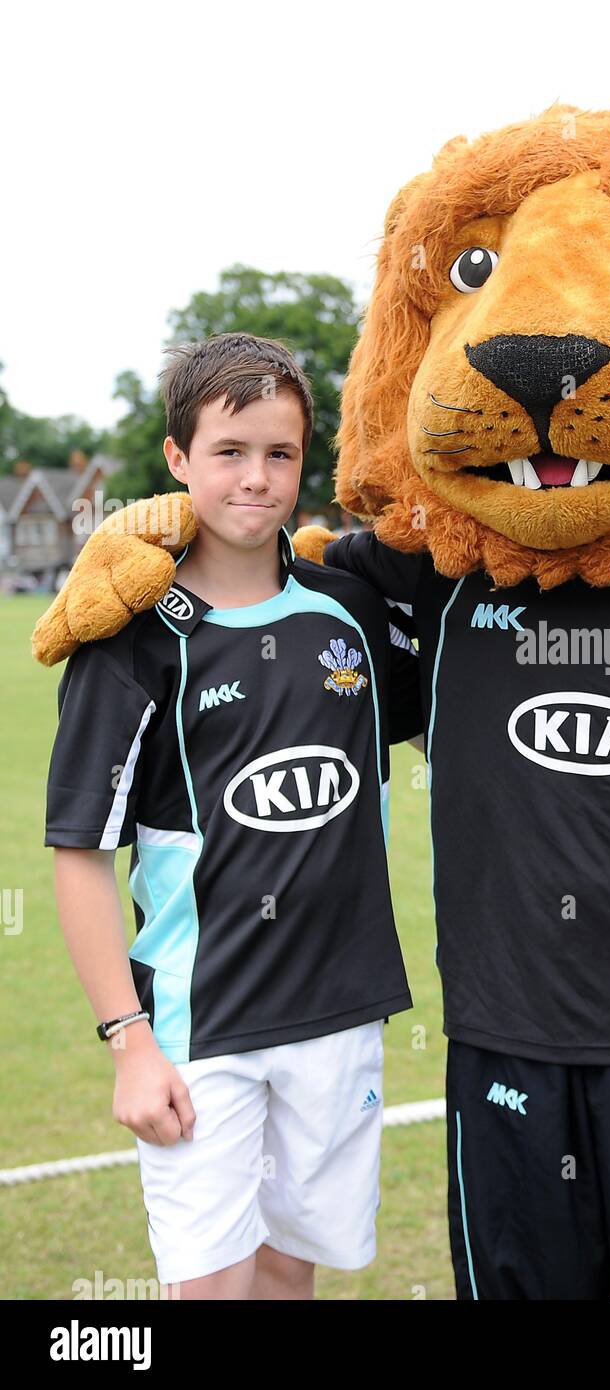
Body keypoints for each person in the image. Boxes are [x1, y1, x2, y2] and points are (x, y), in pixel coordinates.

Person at [45, 334, 420, 1300]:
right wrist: (128, 1041)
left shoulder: (353, 612)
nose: (257, 479)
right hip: (196, 1027)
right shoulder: (130, 640)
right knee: (207, 1290)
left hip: (338, 1016)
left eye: (281, 455)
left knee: (289, 1277)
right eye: (229, 452)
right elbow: (79, 854)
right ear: (177, 460)